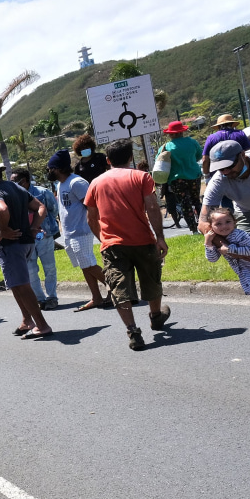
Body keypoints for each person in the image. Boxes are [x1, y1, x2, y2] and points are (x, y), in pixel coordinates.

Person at [85, 138, 171, 351]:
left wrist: (103, 238)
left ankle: (133, 331)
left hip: (113, 245)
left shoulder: (96, 182)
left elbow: (91, 217)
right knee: (151, 280)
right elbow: (152, 207)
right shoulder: (141, 177)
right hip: (143, 240)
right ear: (131, 157)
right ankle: (156, 316)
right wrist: (159, 237)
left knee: (118, 288)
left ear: (108, 160)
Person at [0, 159, 53, 339]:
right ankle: (27, 320)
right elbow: (41, 208)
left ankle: (42, 325)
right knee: (16, 284)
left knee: (23, 286)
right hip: (27, 243)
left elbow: (2, 210)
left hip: (12, 245)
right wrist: (34, 227)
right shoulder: (17, 188)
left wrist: (4, 230)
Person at [48, 150, 111, 311]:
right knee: (84, 266)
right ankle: (96, 297)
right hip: (70, 232)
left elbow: (91, 206)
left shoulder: (77, 183)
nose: (49, 171)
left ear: (59, 168)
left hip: (82, 230)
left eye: (51, 168)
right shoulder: (61, 184)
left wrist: (98, 226)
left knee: (89, 264)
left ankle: (116, 288)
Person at [204, 207, 250, 331]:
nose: (224, 226)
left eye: (228, 222)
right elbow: (212, 258)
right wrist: (208, 243)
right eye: (218, 224)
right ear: (211, 226)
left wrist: (230, 249)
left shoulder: (239, 234)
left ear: (234, 222)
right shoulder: (216, 240)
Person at [11, 168, 60, 310]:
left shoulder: (42, 192)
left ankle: (52, 297)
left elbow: (53, 209)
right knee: (31, 270)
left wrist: (45, 225)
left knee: (49, 268)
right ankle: (40, 299)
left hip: (44, 236)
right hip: (26, 239)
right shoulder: (13, 196)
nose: (13, 184)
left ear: (24, 181)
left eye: (15, 181)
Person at [198, 140, 250, 235]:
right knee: (246, 245)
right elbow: (203, 224)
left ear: (242, 155)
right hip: (248, 213)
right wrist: (227, 246)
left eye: (230, 165)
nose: (226, 172)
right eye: (221, 168)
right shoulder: (218, 181)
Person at [160, 121, 202, 232]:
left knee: (185, 203)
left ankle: (193, 229)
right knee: (196, 200)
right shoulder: (193, 142)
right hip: (194, 175)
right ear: (182, 131)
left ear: (170, 134)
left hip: (177, 180)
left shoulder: (166, 147)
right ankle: (204, 224)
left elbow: (160, 162)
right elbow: (198, 156)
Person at [201, 114, 250, 178]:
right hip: (239, 173)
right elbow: (249, 153)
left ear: (219, 126)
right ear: (232, 124)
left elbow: (205, 159)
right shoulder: (240, 134)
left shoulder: (211, 138)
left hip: (220, 174)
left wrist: (206, 176)